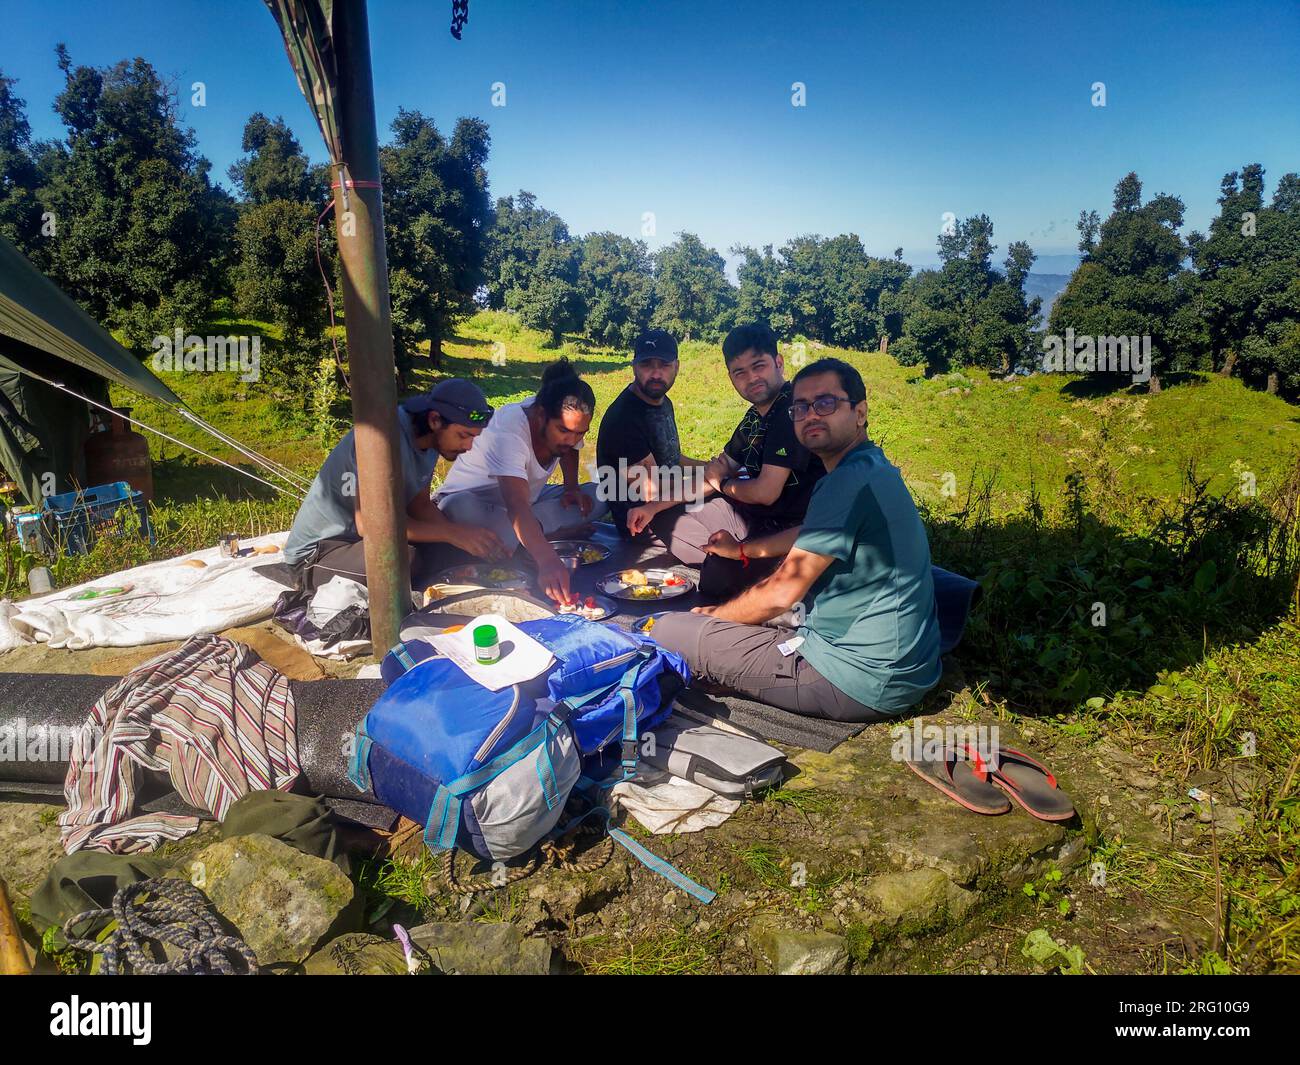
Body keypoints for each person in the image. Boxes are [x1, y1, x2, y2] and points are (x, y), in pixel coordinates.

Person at [650, 357, 942, 722]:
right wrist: (741, 549)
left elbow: (779, 594)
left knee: (669, 629)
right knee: (746, 606)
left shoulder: (845, 483)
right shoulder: (869, 467)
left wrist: (714, 618)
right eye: (800, 407)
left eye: (826, 403)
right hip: (904, 668)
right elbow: (810, 534)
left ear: (861, 412)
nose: (810, 415)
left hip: (852, 678)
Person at [626, 322, 823, 596]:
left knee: (715, 580)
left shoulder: (791, 411)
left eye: (759, 366)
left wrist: (725, 483)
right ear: (730, 377)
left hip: (792, 533)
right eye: (740, 372)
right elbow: (714, 474)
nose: (751, 378)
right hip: (753, 519)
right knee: (662, 514)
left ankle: (737, 564)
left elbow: (765, 491)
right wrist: (653, 507)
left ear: (779, 363)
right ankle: (726, 556)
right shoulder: (754, 417)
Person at [284, 379, 506, 593]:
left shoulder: (430, 442)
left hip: (364, 544)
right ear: (435, 420)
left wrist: (464, 540)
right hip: (319, 554)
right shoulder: (383, 438)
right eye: (463, 435)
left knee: (453, 554)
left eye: (474, 438)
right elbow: (371, 526)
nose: (468, 446)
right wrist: (451, 533)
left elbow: (420, 507)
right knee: (399, 560)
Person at [436, 357, 607, 605]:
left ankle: (532, 537)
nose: (571, 440)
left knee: (601, 495)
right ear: (540, 415)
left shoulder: (566, 422)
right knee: (461, 507)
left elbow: (572, 449)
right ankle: (542, 538)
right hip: (473, 508)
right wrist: (548, 560)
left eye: (580, 433)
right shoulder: (509, 430)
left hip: (528, 507)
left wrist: (572, 487)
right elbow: (516, 504)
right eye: (563, 431)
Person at [594, 329, 709, 537]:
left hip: (670, 503)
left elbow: (671, 457)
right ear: (634, 367)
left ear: (677, 366)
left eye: (664, 365)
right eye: (646, 365)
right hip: (644, 524)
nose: (656, 374)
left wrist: (708, 468)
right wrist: (709, 481)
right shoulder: (623, 419)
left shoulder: (663, 402)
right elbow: (650, 489)